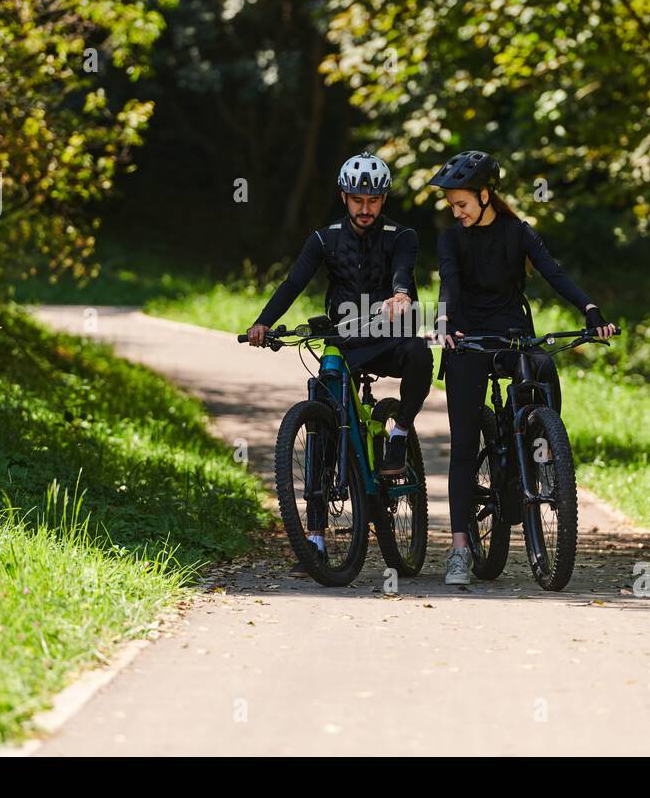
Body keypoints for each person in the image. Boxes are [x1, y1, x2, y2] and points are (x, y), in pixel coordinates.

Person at [431, 150, 618, 585]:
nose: (456, 212)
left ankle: (541, 450)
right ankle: (460, 549)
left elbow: (553, 272)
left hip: (513, 331)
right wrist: (444, 322)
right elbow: (449, 282)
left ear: (484, 195)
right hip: (467, 336)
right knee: (462, 445)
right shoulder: (451, 239)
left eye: (461, 204)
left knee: (543, 368)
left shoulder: (518, 232)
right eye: (452, 206)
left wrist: (589, 308)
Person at [245, 151, 434, 568]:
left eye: (373, 200)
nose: (365, 209)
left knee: (421, 353)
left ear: (383, 199)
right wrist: (263, 323)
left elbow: (404, 271)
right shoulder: (323, 239)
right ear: (344, 197)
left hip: (389, 334)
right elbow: (293, 282)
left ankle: (399, 432)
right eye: (357, 200)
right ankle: (314, 536)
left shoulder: (402, 236)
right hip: (343, 337)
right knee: (322, 410)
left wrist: (401, 295)